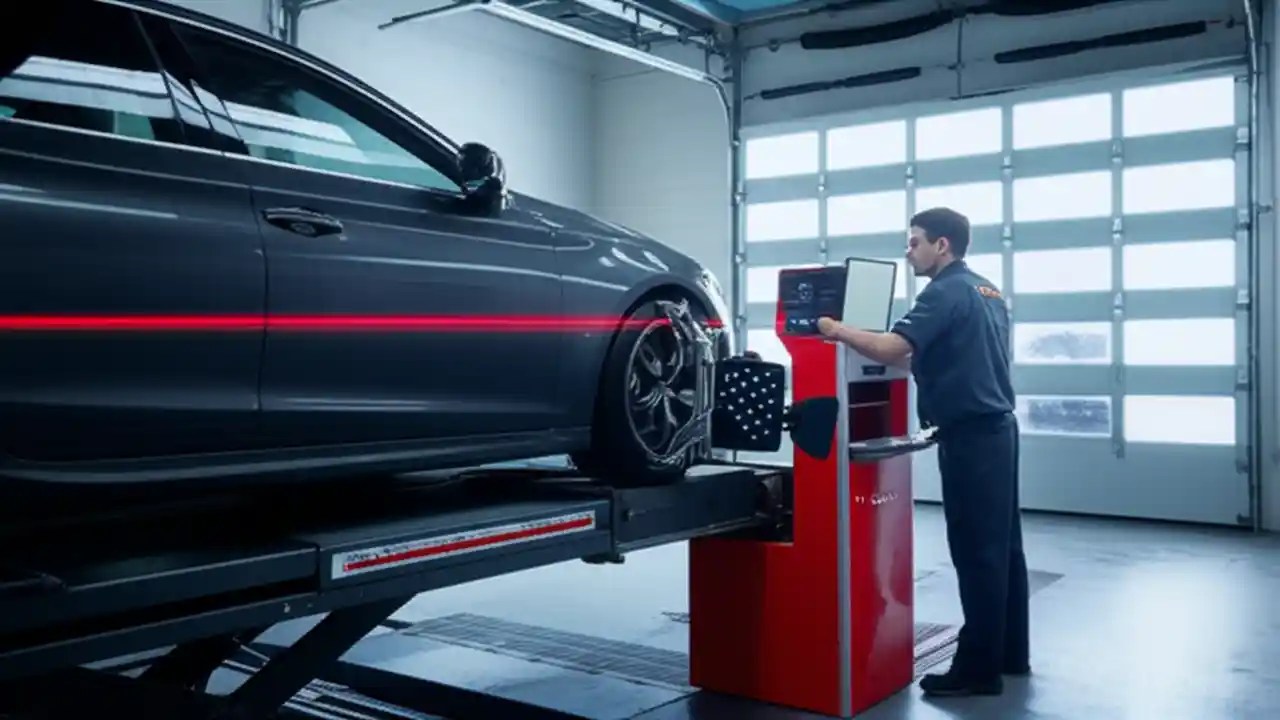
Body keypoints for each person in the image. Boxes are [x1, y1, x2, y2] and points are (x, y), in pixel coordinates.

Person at [815, 207, 1029, 697]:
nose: (908, 250)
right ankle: (1011, 654)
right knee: (1003, 550)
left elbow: (895, 348)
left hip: (971, 436)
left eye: (914, 242)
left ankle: (978, 671)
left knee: (976, 553)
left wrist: (836, 330)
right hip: (998, 429)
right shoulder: (986, 289)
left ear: (942, 245)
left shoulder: (945, 291)